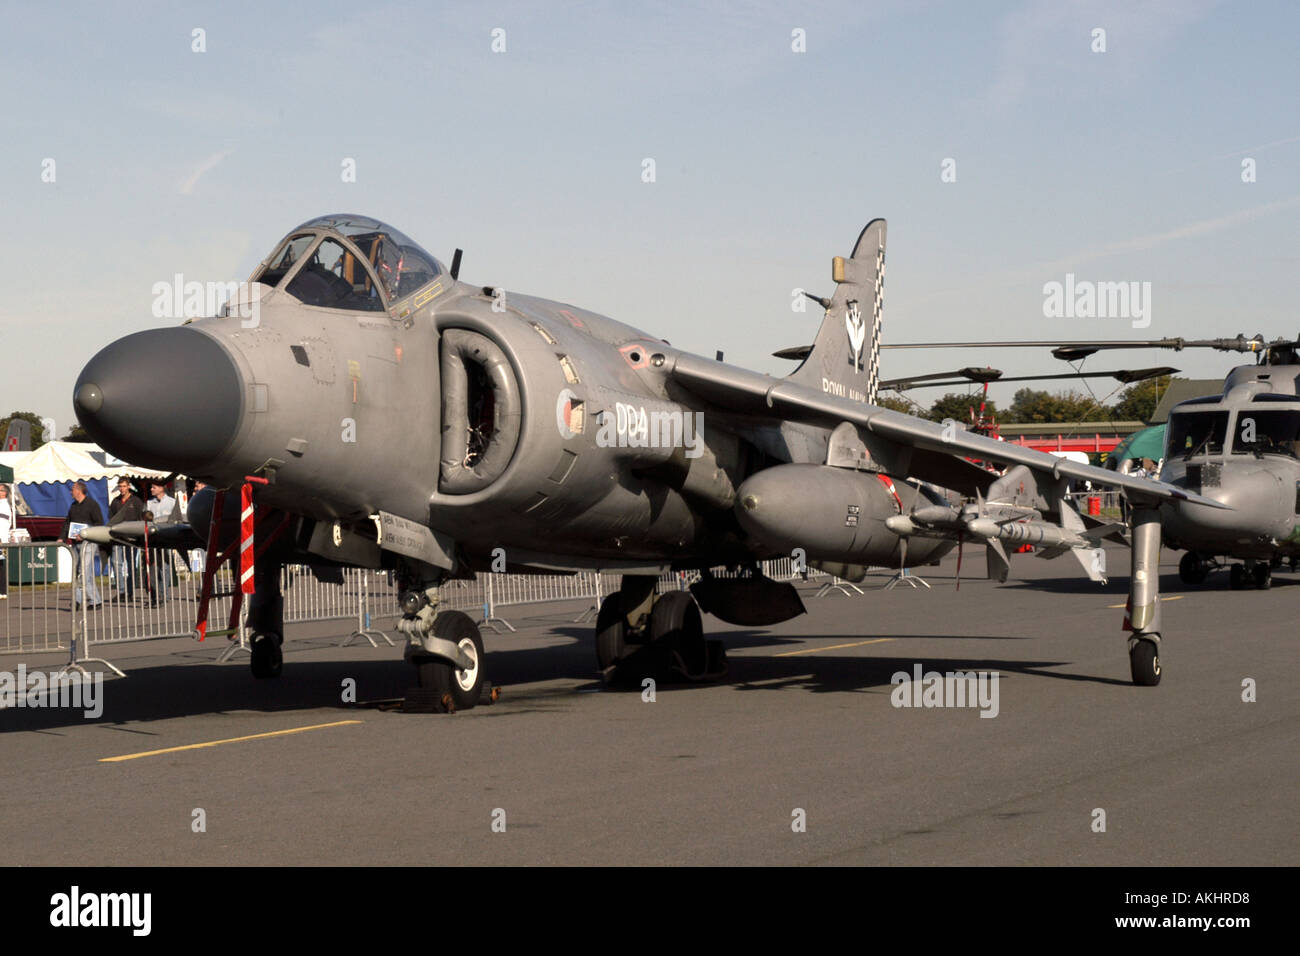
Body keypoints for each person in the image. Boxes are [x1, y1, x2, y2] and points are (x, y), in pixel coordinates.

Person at [62, 480, 104, 609]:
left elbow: (99, 523)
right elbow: (67, 523)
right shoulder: (73, 506)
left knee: (83, 572)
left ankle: (78, 600)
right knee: (77, 572)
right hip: (76, 543)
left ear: (79, 491)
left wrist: (86, 533)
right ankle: (95, 601)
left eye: (73, 489)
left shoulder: (92, 505)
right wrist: (61, 538)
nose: (71, 492)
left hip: (89, 543)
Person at [108, 477, 144, 601]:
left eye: (124, 486)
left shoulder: (136, 501)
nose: (122, 489)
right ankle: (121, 591)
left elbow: (141, 519)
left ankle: (130, 592)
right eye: (120, 486)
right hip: (117, 538)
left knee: (131, 565)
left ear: (129, 486)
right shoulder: (115, 502)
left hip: (131, 538)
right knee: (116, 563)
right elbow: (110, 519)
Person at [145, 480, 179, 605]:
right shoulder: (149, 503)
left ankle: (165, 595)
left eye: (153, 487)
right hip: (154, 540)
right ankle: (157, 595)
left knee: (164, 568)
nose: (151, 489)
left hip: (166, 539)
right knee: (154, 569)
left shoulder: (172, 502)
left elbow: (176, 520)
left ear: (161, 488)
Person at [0, 483, 12, 600]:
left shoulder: (4, 506)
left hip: (1, 539)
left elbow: (3, 524)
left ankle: (2, 591)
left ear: (4, 493)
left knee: (1, 564)